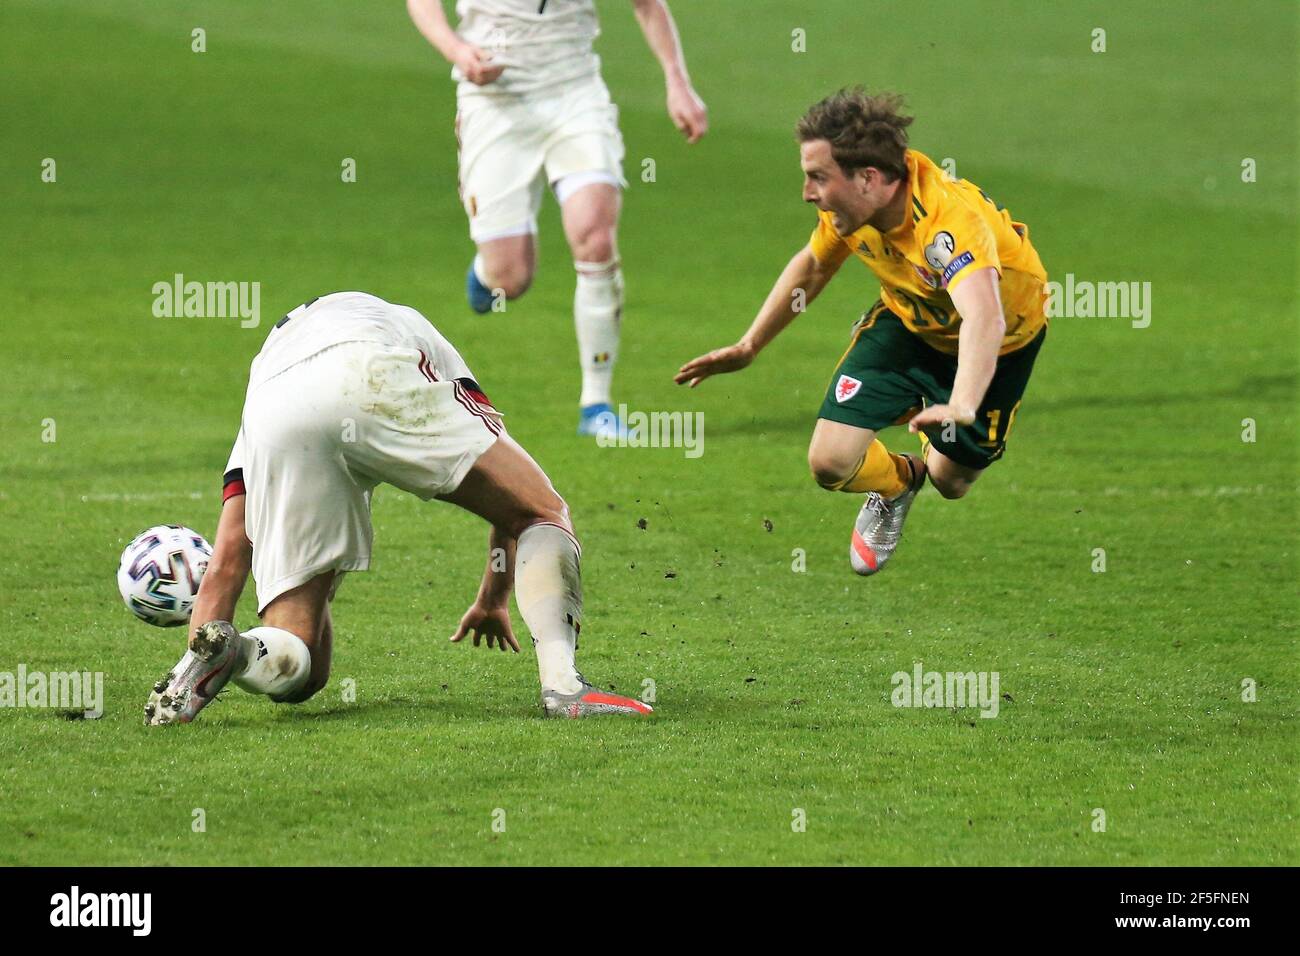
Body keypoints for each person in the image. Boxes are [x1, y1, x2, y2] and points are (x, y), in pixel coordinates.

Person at [146, 291, 653, 724]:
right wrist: (494, 595)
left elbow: (229, 559)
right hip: (369, 370)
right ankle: (564, 688)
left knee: (304, 662)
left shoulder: (267, 378)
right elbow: (513, 507)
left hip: (279, 411)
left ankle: (235, 653)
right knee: (543, 511)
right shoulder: (410, 328)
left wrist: (187, 673)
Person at [675, 88, 1049, 575]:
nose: (808, 192)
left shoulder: (945, 224)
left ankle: (931, 451)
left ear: (868, 178)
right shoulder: (849, 211)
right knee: (829, 463)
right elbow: (813, 266)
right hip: (908, 323)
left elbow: (985, 317)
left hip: (998, 346)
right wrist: (750, 346)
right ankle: (897, 482)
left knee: (952, 482)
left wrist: (960, 404)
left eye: (817, 178)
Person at [407, 0, 708, 438]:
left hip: (576, 95)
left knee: (596, 236)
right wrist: (456, 49)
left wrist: (678, 82)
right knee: (510, 279)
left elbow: (647, 5)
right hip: (495, 102)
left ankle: (596, 406)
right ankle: (487, 274)